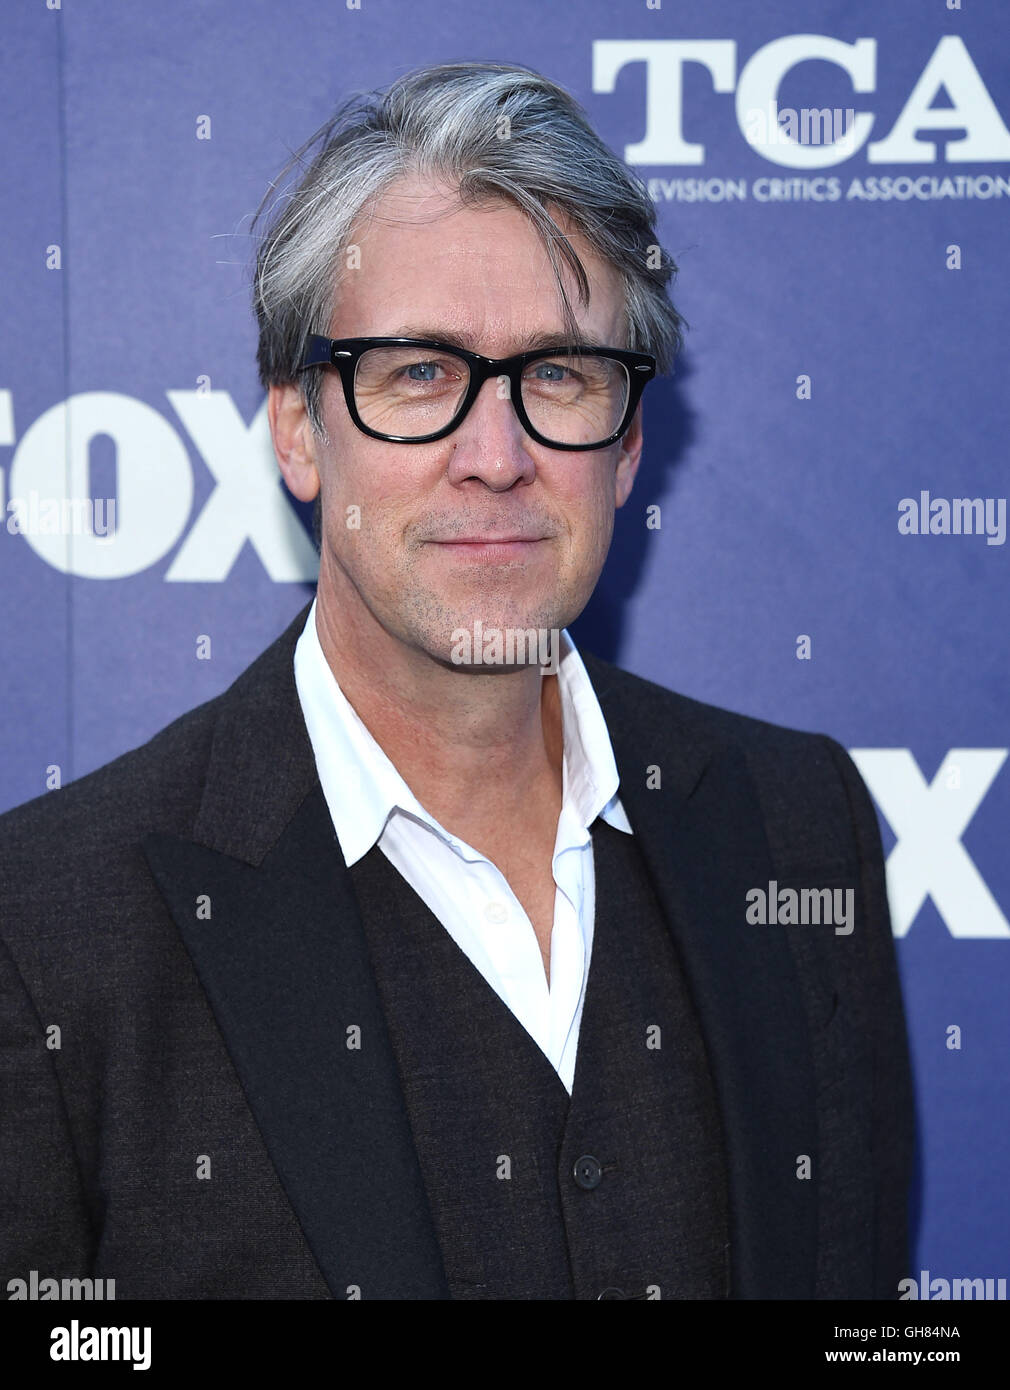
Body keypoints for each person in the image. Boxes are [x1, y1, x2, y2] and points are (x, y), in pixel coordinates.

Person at [0, 61, 914, 1301]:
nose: (498, 456)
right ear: (295, 426)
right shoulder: (48, 926)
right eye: (419, 372)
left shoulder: (796, 826)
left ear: (629, 442)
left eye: (557, 374)